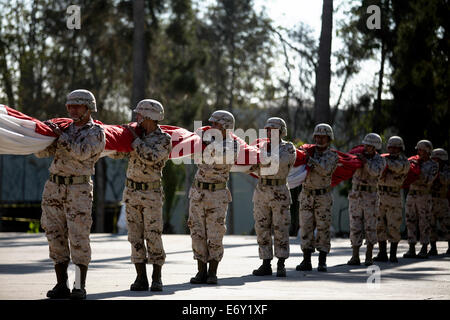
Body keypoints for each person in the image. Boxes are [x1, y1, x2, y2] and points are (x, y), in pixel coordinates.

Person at [35, 89, 106, 300]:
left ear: (88, 108)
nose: (72, 110)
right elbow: (41, 152)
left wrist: (61, 136)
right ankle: (61, 285)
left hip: (78, 190)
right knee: (54, 236)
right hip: (54, 188)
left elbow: (82, 152)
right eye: (69, 106)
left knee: (78, 238)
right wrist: (40, 136)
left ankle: (78, 286)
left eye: (76, 106)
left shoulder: (96, 132)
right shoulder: (63, 129)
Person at [110, 99, 171, 291]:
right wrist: (120, 139)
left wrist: (135, 140)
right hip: (132, 192)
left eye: (140, 115)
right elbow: (117, 153)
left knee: (153, 235)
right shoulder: (135, 135)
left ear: (149, 117)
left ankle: (157, 278)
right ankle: (141, 278)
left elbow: (151, 157)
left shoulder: (164, 139)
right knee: (134, 236)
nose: (137, 118)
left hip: (151, 193)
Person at [188, 110, 240, 285]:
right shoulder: (202, 140)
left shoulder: (233, 145)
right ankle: (200, 271)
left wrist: (203, 142)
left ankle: (212, 272)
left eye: (216, 124)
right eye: (211, 124)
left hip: (217, 195)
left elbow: (218, 156)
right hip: (198, 193)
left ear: (226, 127)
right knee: (197, 233)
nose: (212, 127)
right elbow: (194, 157)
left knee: (215, 234)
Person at [250, 117, 296, 277]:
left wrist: (260, 158)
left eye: (274, 129)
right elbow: (253, 166)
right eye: (268, 129)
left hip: (279, 192)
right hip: (262, 191)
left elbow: (277, 163)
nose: (270, 132)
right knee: (262, 228)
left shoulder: (288, 148)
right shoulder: (260, 147)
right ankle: (265, 263)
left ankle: (281, 263)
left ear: (281, 131)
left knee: (280, 228)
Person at [296, 123, 339, 272]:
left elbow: (325, 170)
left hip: (323, 197)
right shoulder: (308, 152)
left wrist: (310, 160)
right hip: (307, 195)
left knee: (323, 228)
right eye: (317, 137)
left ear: (329, 138)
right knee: (306, 228)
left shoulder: (333, 156)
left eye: (323, 137)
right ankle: (306, 260)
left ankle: (322, 261)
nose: (320, 140)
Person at [347, 133, 386, 266]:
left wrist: (365, 162)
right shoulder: (358, 157)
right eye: (366, 145)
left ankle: (369, 255)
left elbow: (375, 172)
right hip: (356, 195)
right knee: (355, 226)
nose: (367, 147)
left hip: (371, 196)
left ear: (375, 147)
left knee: (370, 226)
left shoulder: (380, 160)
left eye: (370, 146)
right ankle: (355, 256)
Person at [374, 136, 410, 263]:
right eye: (391, 147)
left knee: (393, 226)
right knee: (379, 226)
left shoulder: (404, 162)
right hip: (380, 195)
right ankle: (382, 253)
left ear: (400, 149)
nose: (393, 150)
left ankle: (393, 254)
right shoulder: (383, 158)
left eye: (396, 147)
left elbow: (396, 167)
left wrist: (380, 159)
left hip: (394, 197)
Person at [403, 140, 439, 259]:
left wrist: (416, 170)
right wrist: (411, 166)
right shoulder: (413, 161)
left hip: (424, 196)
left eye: (421, 150)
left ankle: (424, 247)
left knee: (424, 222)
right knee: (410, 221)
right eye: (418, 149)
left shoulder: (433, 165)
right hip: (411, 195)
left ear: (428, 151)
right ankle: (411, 247)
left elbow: (428, 180)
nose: (418, 152)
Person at [429, 148, 450, 256]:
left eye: (436, 159)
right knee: (430, 224)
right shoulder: (430, 168)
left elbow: (446, 181)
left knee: (446, 224)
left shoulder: (447, 170)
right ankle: (433, 247)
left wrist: (438, 172)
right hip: (431, 199)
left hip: (442, 200)